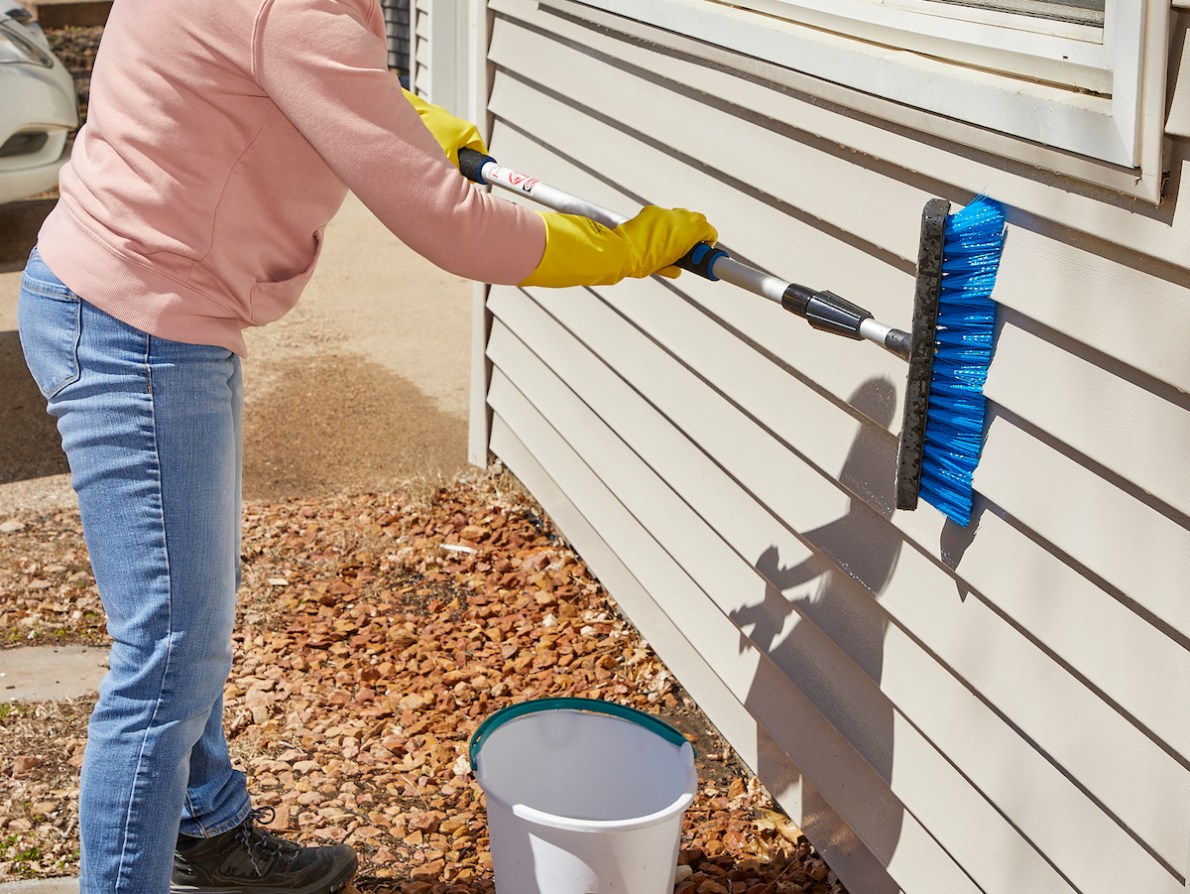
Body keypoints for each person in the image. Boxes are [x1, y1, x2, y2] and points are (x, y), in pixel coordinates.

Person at [16, 0, 717, 891]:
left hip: (145, 305)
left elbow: (267, 81)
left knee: (189, 608)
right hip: (138, 325)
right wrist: (620, 251)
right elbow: (452, 224)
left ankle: (208, 835)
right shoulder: (290, 9)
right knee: (168, 655)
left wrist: (389, 112)